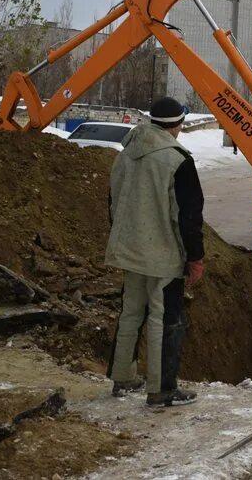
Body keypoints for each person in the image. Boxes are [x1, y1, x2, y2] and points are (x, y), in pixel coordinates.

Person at [105, 97, 205, 407]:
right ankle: (162, 389)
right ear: (177, 125)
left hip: (130, 249)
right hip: (162, 255)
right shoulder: (178, 161)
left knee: (131, 312)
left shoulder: (127, 153)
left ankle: (122, 378)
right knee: (165, 318)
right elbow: (188, 216)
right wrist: (195, 257)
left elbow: (113, 200)